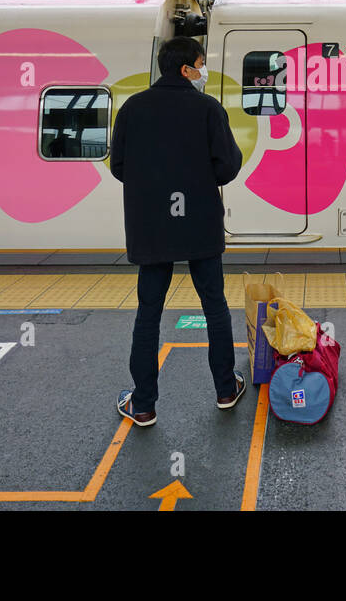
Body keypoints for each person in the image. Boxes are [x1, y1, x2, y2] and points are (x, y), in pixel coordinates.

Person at [110, 35, 246, 427]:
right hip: (200, 223)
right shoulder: (207, 109)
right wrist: (197, 178)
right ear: (186, 69)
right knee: (214, 306)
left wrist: (152, 184)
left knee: (149, 313)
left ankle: (144, 405)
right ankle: (225, 389)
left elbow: (120, 167)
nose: (204, 71)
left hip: (151, 226)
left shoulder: (133, 109)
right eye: (201, 64)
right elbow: (228, 166)